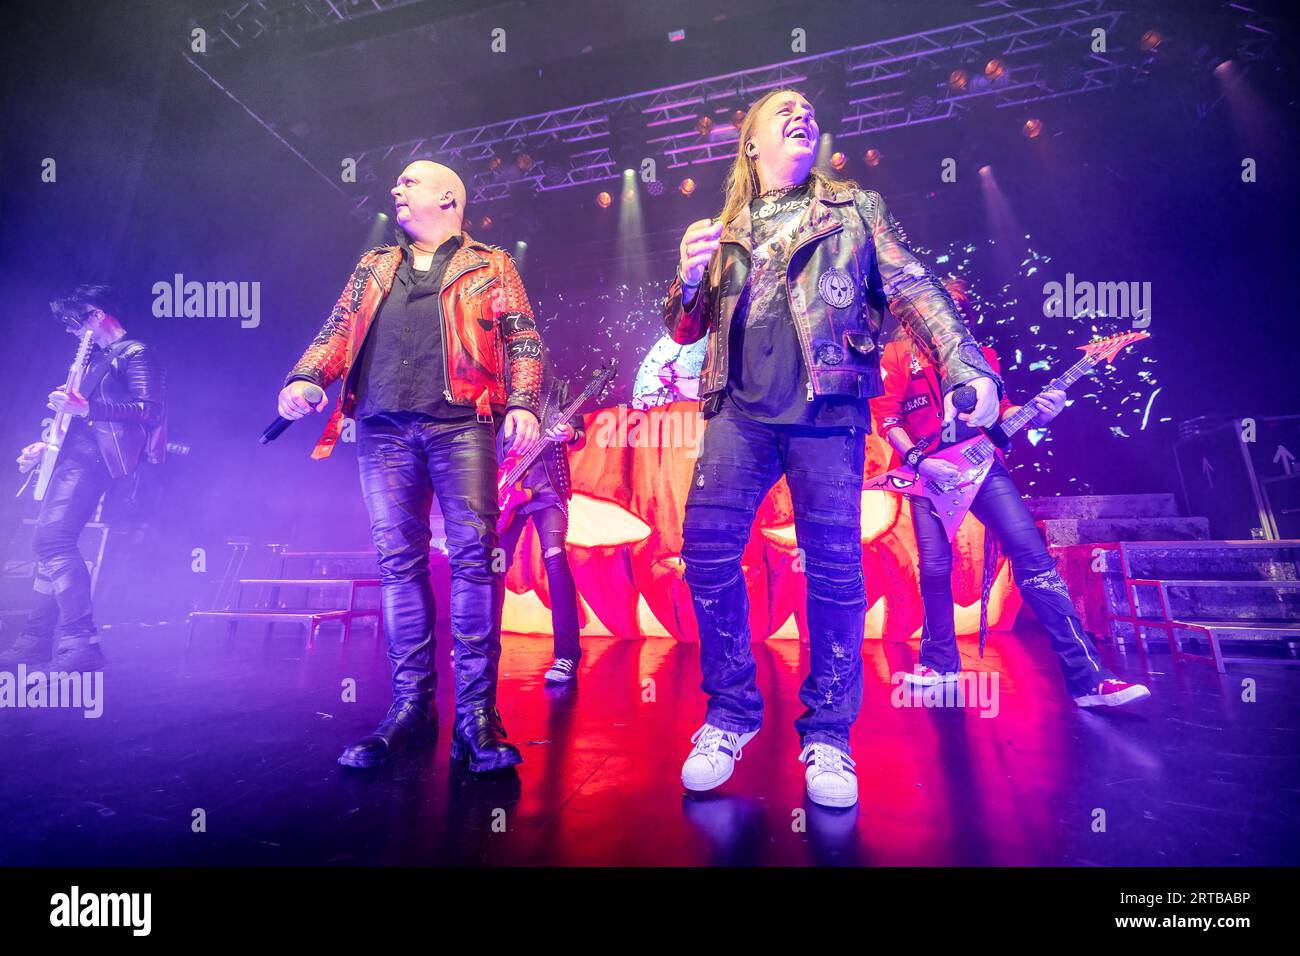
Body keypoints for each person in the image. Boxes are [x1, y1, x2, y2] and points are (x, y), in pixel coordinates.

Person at [663, 89, 1004, 808]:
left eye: (808, 109)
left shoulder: (854, 208)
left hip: (829, 406)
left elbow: (912, 284)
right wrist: (689, 278)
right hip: (740, 413)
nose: (801, 113)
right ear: (750, 143)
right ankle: (729, 714)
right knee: (705, 547)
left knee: (837, 567)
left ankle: (828, 734)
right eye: (781, 109)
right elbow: (687, 328)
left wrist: (963, 360)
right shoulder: (725, 227)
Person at [277, 161, 544, 772]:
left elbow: (523, 340)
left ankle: (477, 718)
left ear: (448, 196)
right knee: (399, 564)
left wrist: (524, 403)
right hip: (383, 427)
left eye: (409, 181)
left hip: (462, 424)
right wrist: (305, 377)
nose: (395, 189)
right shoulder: (374, 264)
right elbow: (337, 330)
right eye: (395, 183)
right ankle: (410, 709)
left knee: (475, 561)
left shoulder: (491, 263)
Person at [870, 329, 1151, 707]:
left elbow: (1002, 410)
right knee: (935, 570)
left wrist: (1039, 414)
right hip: (927, 474)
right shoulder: (898, 354)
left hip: (984, 468)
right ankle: (939, 663)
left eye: (953, 312)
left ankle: (1089, 679)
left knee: (1035, 560)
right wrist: (921, 461)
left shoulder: (978, 353)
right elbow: (888, 417)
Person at [7, 285, 166, 671]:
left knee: (52, 541)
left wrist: (86, 406)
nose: (69, 330)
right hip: (75, 456)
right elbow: (78, 424)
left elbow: (150, 411)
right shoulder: (96, 359)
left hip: (94, 462)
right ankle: (36, 638)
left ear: (96, 315)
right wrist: (45, 449)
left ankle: (82, 642)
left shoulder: (135, 352)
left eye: (73, 321)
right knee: (50, 543)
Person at [496, 367, 586, 684]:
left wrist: (570, 435)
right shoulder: (499, 389)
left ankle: (566, 656)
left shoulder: (557, 387)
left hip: (548, 492)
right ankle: (480, 644)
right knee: (494, 567)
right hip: (509, 493)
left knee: (555, 561)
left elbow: (579, 435)